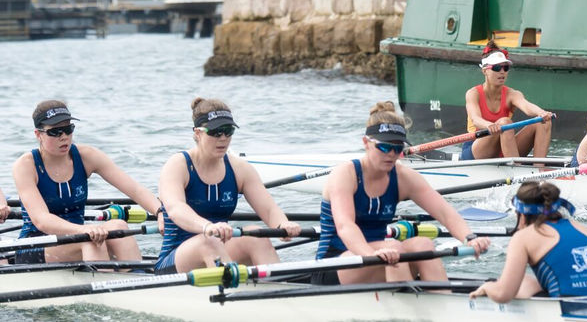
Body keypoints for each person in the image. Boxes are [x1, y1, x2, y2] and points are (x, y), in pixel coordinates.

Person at [317, 101, 491, 284]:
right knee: (394, 248)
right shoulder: (345, 174)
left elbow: (446, 213)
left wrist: (470, 238)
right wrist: (373, 254)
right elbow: (345, 226)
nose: (391, 154)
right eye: (384, 147)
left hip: (384, 255)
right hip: (335, 264)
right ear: (366, 143)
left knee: (423, 244)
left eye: (398, 148)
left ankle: (440, 298)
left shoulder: (403, 177)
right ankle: (406, 308)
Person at [155, 98, 301, 273]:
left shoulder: (240, 168)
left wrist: (283, 225)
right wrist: (207, 227)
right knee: (209, 241)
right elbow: (176, 209)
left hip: (219, 248)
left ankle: (281, 288)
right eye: (215, 132)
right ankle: (232, 290)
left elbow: (269, 210)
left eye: (228, 131)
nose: (223, 138)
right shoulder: (178, 165)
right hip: (175, 260)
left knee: (255, 235)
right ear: (198, 133)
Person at [12, 100, 161, 263]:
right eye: (55, 132)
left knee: (119, 226)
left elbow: (135, 190)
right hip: (36, 244)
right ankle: (108, 282)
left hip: (79, 235)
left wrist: (160, 213)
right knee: (90, 241)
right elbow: (42, 220)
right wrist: (83, 229)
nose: (64, 137)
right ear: (38, 134)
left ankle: (134, 277)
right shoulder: (26, 165)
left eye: (68, 129)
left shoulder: (86, 156)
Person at [468, 181, 587, 302]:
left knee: (516, 282)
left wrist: (488, 287)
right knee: (528, 281)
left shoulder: (522, 237)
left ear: (522, 215)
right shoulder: (580, 227)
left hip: (569, 308)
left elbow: (503, 295)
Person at [462, 42, 554, 160]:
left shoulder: (512, 94)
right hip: (476, 149)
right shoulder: (473, 93)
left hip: (504, 146)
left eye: (505, 67)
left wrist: (542, 113)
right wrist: (490, 125)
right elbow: (475, 119)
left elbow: (526, 106)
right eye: (496, 68)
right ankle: (515, 170)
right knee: (505, 122)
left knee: (543, 122)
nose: (502, 72)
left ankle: (539, 171)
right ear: (485, 71)